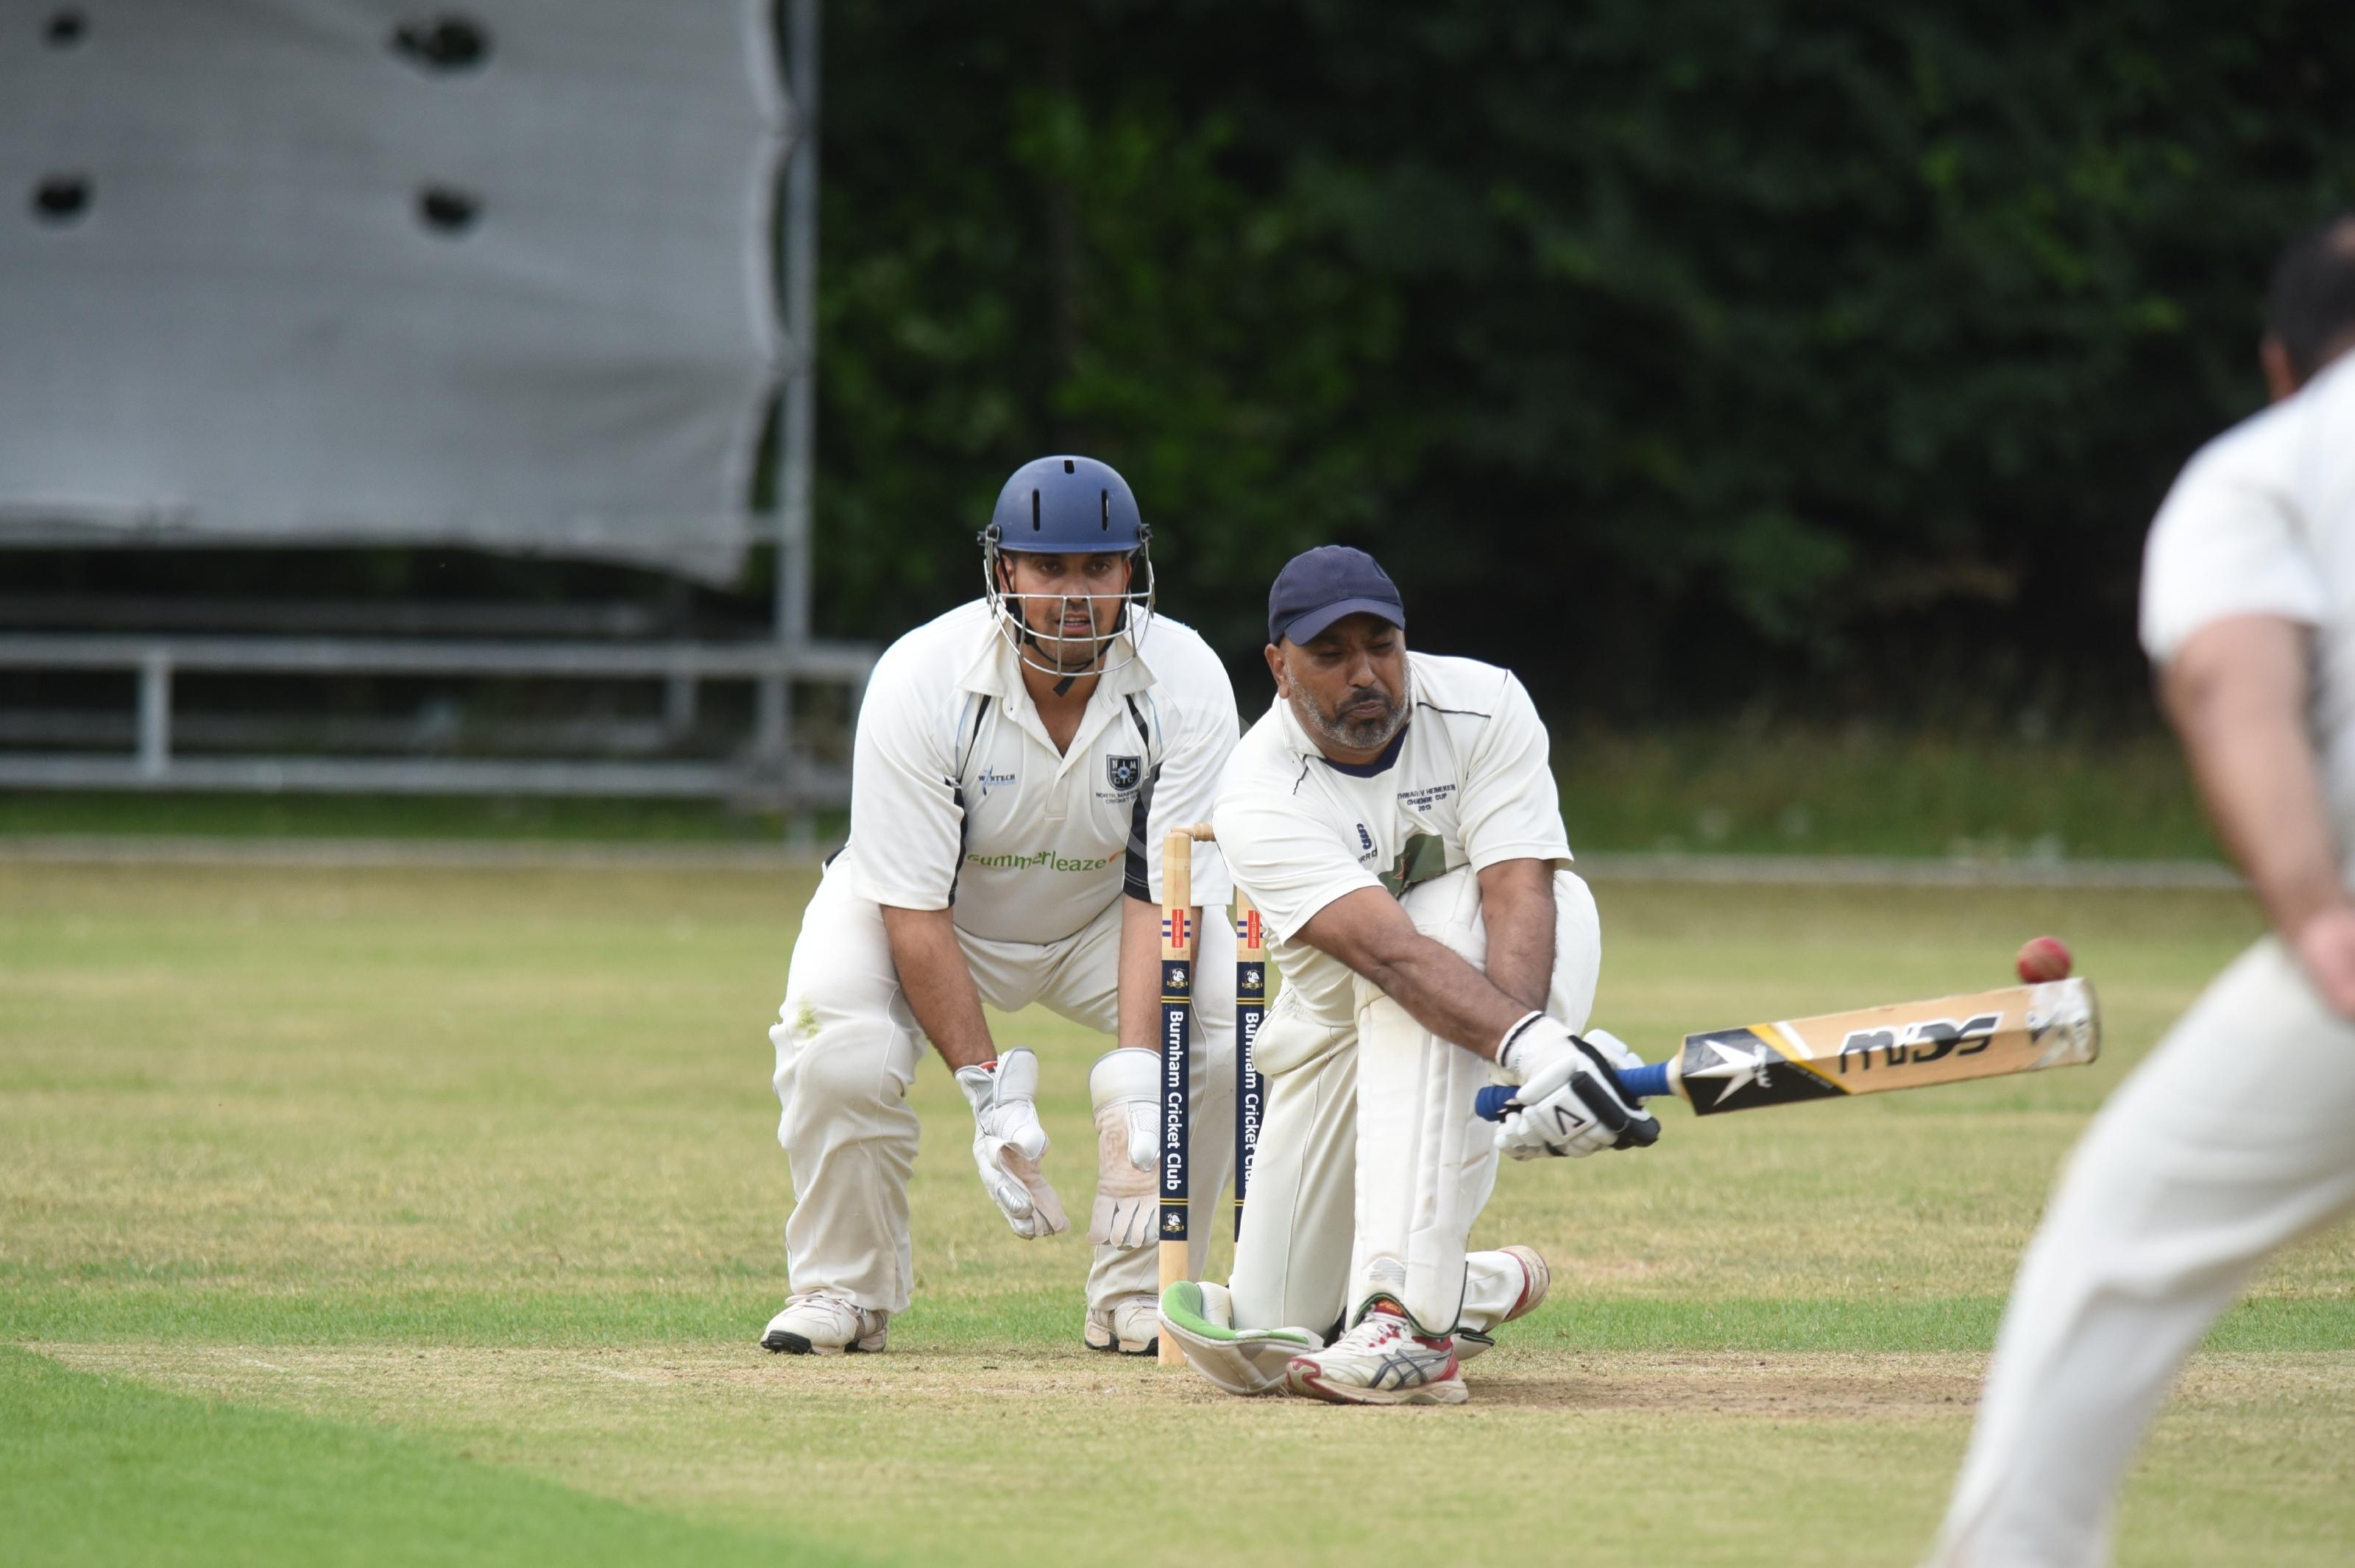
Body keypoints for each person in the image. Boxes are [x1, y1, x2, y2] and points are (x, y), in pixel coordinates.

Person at [1924, 216, 2355, 1564]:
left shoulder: (2269, 469)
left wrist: (2318, 915)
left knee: (2111, 1254)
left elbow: (2239, 685)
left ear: (2282, 361)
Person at [1158, 544, 1661, 1405]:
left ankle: (1408, 1318)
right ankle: (1475, 1284)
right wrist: (1539, 1052)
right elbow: (1383, 952)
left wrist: (1527, 1055)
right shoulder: (1255, 794)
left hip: (1507, 956)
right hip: (1333, 1025)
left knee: (1441, 925)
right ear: (1278, 667)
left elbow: (1514, 886)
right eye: (1330, 654)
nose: (1366, 674)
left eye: (1380, 645)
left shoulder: (1484, 703)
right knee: (1272, 1333)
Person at [761, 455, 1239, 1358]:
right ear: (1004, 570)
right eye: (1047, 567)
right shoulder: (920, 676)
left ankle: (1142, 1293)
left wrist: (1141, 1077)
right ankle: (842, 1290)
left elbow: (1164, 892)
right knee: (834, 1038)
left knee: (1217, 1022)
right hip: (933, 912)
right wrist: (985, 1094)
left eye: (1094, 569)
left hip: (1104, 917)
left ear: (1129, 571)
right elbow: (910, 907)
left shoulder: (1188, 680)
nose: (1071, 595)